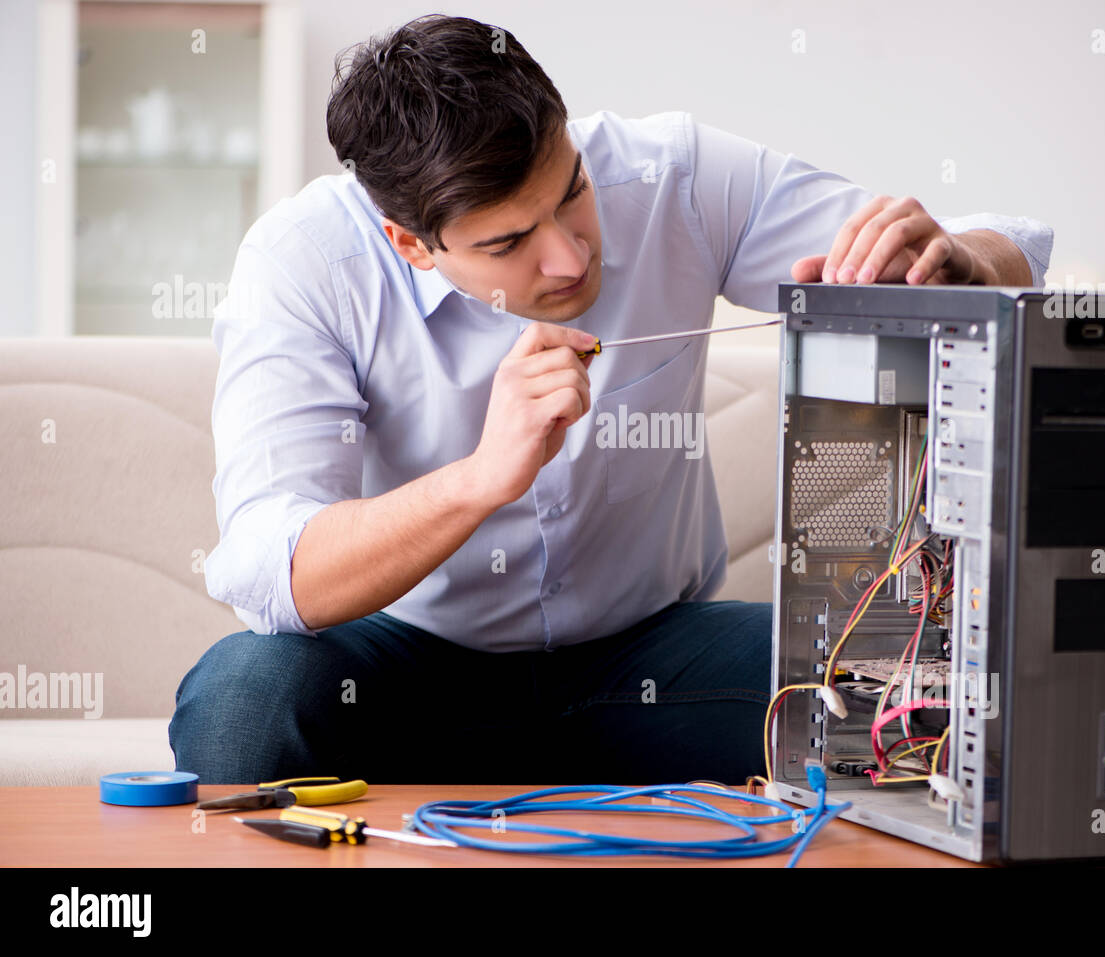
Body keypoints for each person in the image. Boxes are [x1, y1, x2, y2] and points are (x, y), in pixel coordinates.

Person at [169, 14, 1053, 785]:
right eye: (511, 239)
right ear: (411, 242)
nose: (569, 257)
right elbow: (264, 568)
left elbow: (1002, 249)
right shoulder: (307, 263)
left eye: (572, 193)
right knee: (243, 700)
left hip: (653, 663)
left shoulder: (673, 176)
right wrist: (480, 478)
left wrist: (961, 265)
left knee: (919, 688)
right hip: (407, 669)